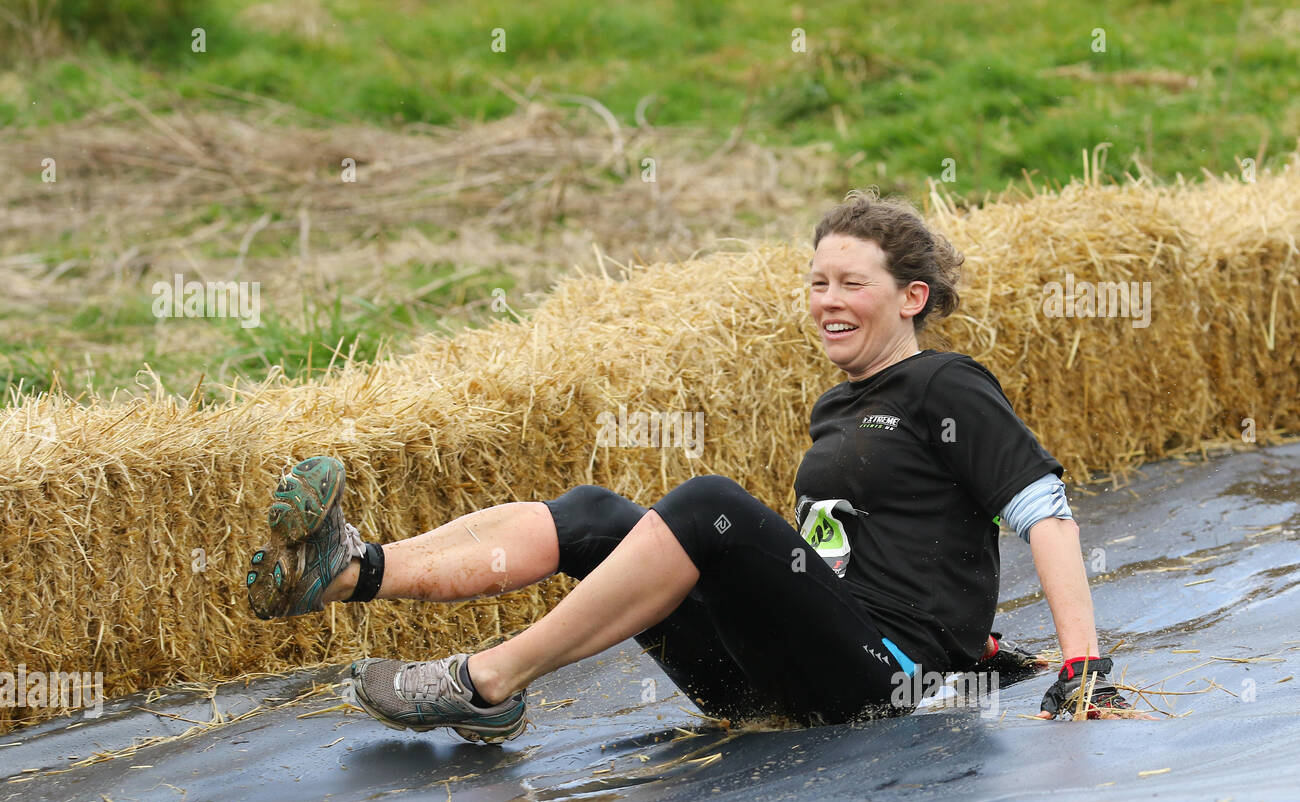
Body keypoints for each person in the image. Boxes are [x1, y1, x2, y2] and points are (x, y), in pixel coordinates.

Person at [244, 192, 1140, 744]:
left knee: (709, 505)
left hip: (886, 681)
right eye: (817, 282)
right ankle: (351, 571)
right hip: (777, 682)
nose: (827, 301)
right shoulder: (839, 407)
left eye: (850, 284)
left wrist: (1079, 665)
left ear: (911, 298)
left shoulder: (945, 383)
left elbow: (1044, 513)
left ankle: (485, 682)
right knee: (596, 513)